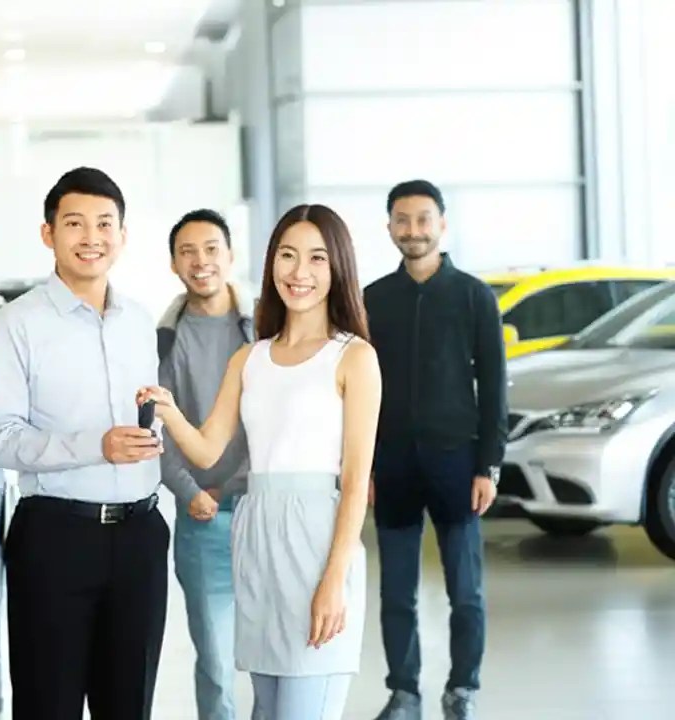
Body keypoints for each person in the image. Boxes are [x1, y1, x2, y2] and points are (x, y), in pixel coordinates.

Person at [138, 204, 381, 720]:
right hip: (257, 540)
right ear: (271, 264)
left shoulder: (354, 357)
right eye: (287, 256)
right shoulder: (250, 358)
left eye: (316, 258)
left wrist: (334, 580)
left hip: (317, 543)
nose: (300, 272)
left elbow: (356, 480)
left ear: (337, 267)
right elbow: (207, 449)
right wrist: (168, 409)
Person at [0, 166, 170, 720]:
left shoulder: (139, 321)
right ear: (48, 234)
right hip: (56, 536)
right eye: (76, 223)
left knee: (128, 704)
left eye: (105, 224)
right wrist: (96, 446)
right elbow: (3, 439)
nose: (92, 238)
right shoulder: (15, 326)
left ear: (123, 237)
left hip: (141, 536)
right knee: (47, 704)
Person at [363, 179, 507, 720]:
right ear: (389, 227)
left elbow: (494, 384)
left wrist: (488, 463)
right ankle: (403, 691)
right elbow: (361, 389)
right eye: (402, 220)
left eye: (423, 219)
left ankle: (463, 687)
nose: (413, 230)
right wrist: (366, 466)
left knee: (465, 593)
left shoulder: (473, 295)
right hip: (393, 465)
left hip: (457, 462)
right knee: (397, 594)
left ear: (442, 225)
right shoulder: (373, 299)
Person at [154, 208, 254, 720]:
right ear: (173, 263)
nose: (201, 261)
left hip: (266, 514)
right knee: (215, 663)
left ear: (230, 256)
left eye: (211, 249)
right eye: (187, 251)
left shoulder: (264, 330)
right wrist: (189, 490)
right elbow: (159, 430)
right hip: (202, 520)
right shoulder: (163, 340)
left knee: (275, 660)